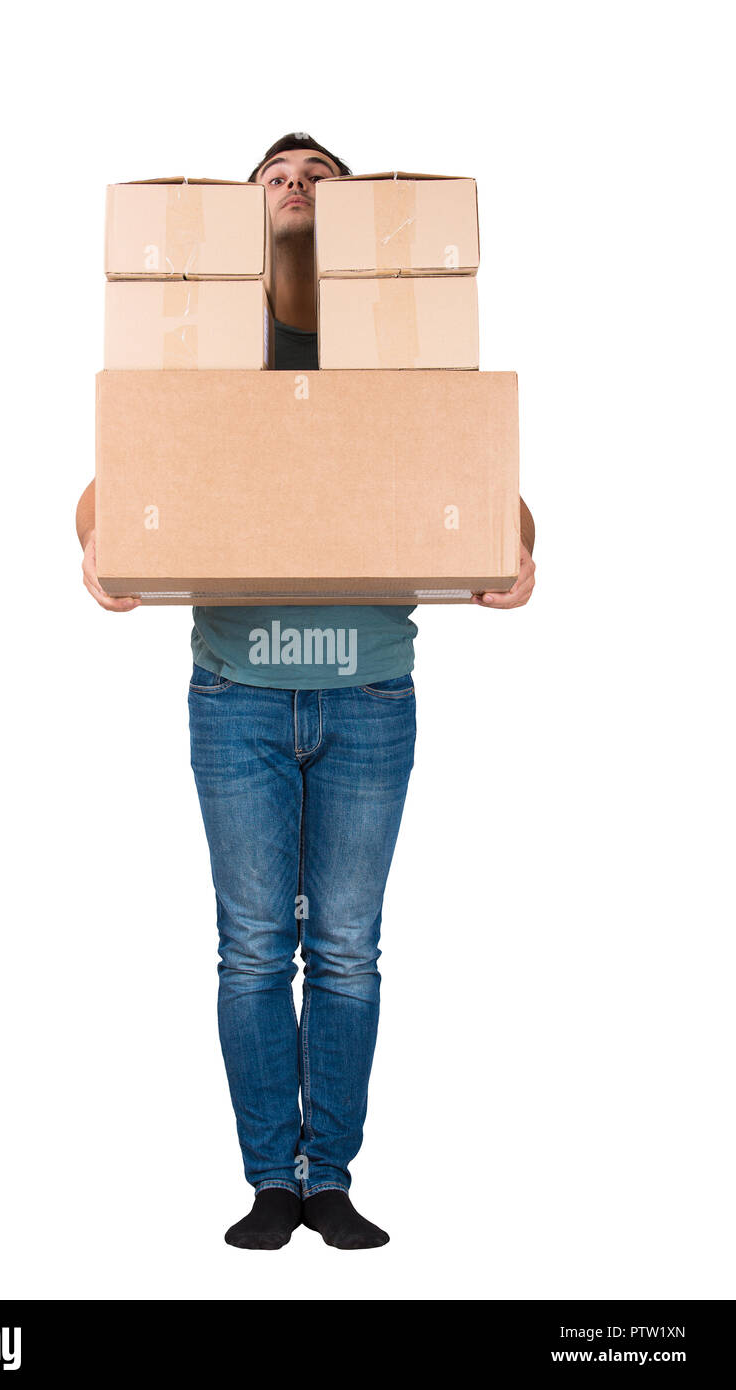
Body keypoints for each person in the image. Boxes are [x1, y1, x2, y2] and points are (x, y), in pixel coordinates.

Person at [76, 133, 536, 1250]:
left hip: (369, 690)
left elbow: (493, 503)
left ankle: (325, 1176)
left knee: (344, 945)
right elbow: (108, 490)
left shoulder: (400, 343)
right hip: (236, 691)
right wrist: (105, 550)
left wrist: (515, 549)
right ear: (240, 218)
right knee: (249, 946)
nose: (293, 184)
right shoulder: (203, 350)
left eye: (317, 177)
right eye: (274, 176)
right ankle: (264, 1183)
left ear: (349, 217)